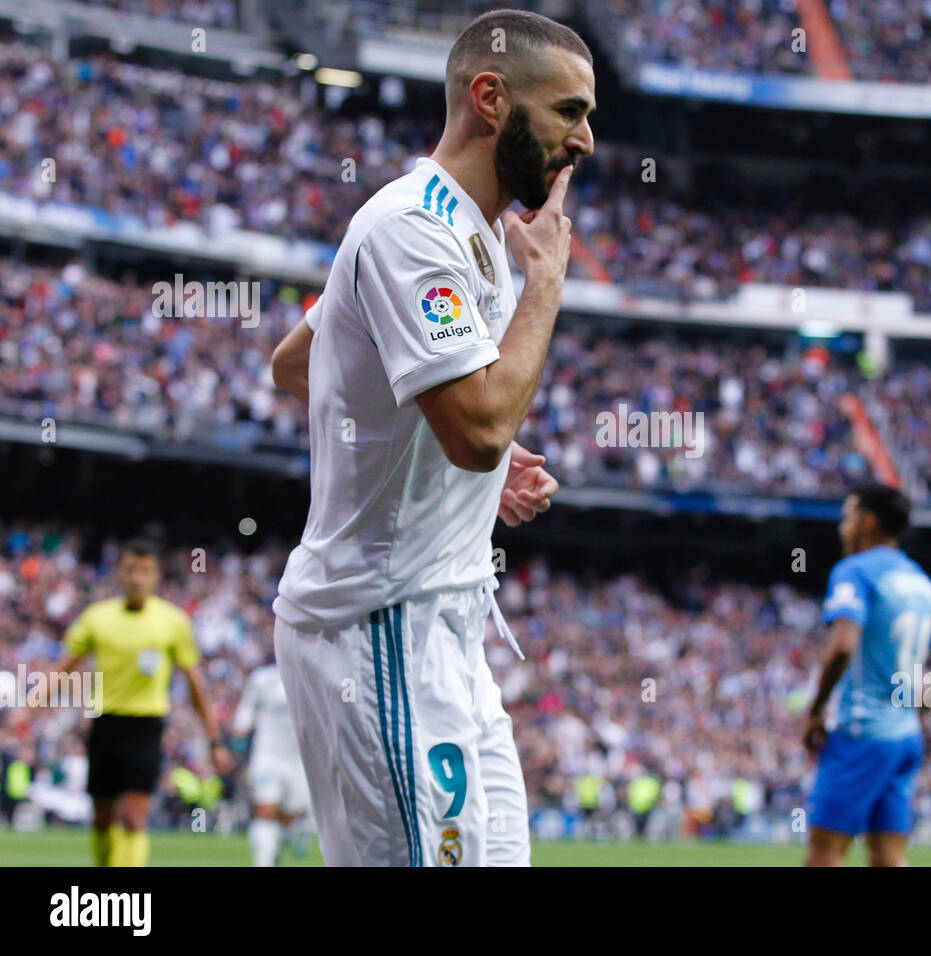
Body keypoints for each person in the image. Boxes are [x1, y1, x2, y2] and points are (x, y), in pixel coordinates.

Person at [268, 8, 595, 866]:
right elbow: (481, 430)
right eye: (569, 110)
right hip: (378, 627)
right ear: (491, 98)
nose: (587, 140)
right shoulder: (413, 229)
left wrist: (438, 423)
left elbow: (301, 364)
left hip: (443, 630)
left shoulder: (470, 231)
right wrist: (547, 280)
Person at [802, 483, 931, 866]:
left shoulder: (855, 571)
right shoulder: (921, 582)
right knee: (888, 857)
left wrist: (815, 710)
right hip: (904, 736)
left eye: (848, 516)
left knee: (824, 854)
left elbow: (843, 646)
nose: (842, 527)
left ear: (869, 521)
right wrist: (917, 709)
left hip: (862, 731)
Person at [53, 538, 231, 866]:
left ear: (156, 576)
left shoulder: (172, 621)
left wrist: (214, 740)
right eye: (131, 570)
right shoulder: (97, 617)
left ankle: (125, 903)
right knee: (102, 817)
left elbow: (196, 687)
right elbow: (62, 668)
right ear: (119, 573)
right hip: (106, 722)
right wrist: (26, 708)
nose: (137, 578)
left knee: (134, 816)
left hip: (146, 728)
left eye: (145, 571)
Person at [231, 660, 312, 866]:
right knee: (266, 808)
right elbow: (245, 712)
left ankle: (279, 847)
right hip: (267, 756)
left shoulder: (310, 676)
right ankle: (264, 861)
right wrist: (238, 735)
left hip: (299, 760)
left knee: (289, 815)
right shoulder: (261, 679)